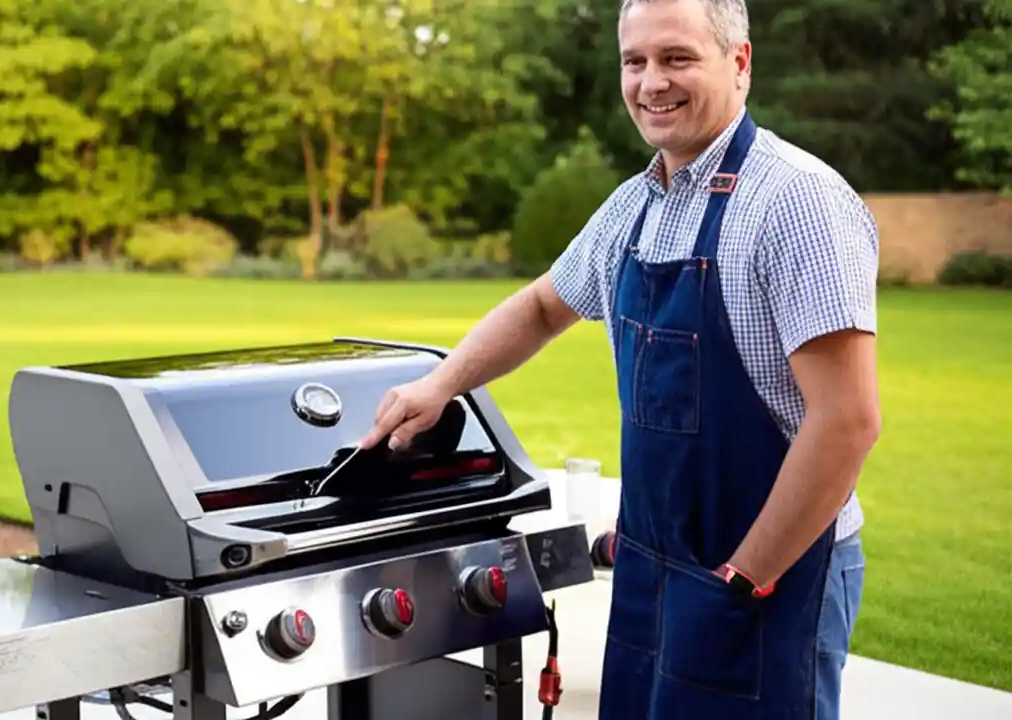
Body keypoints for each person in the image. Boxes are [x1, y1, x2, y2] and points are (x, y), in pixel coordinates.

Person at [357, 0, 881, 717]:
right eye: (634, 61)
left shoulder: (798, 203)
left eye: (676, 58)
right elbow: (544, 304)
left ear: (740, 62)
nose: (650, 82)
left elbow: (846, 421)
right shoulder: (636, 204)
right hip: (653, 574)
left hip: (770, 577)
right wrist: (439, 385)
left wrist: (742, 579)